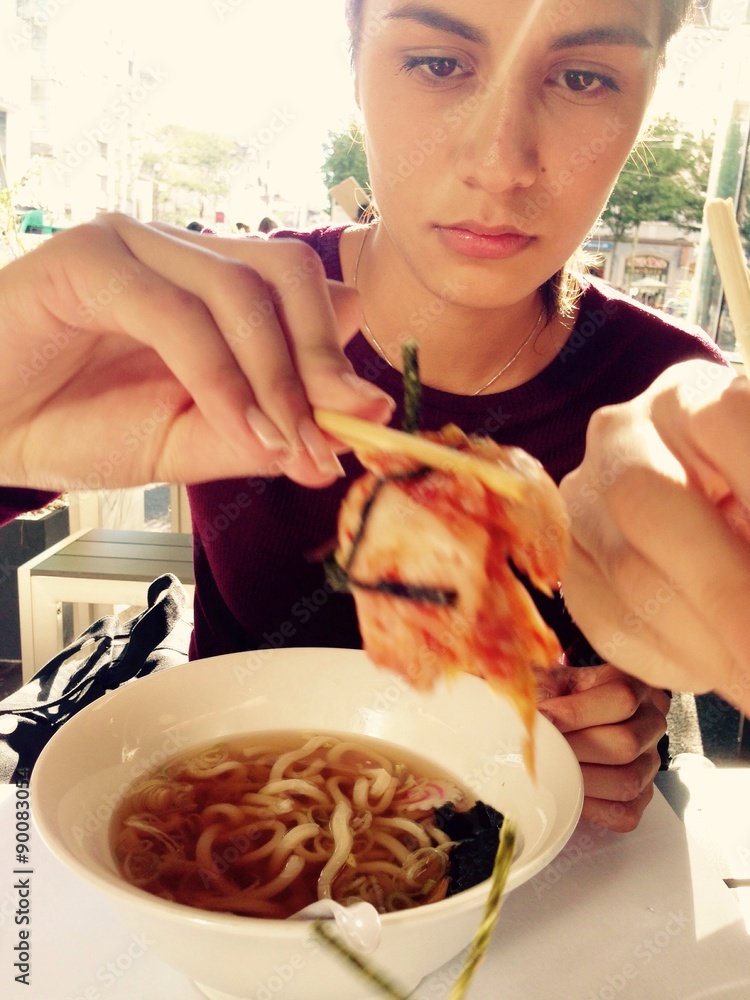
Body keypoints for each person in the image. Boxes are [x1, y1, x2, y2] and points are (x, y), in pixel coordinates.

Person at [0, 0, 725, 831]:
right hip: (219, 844)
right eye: (440, 63)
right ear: (353, 64)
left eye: (584, 77)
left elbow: (659, 689)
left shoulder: (671, 393)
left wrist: (630, 730)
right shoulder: (219, 313)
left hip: (536, 881)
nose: (499, 164)